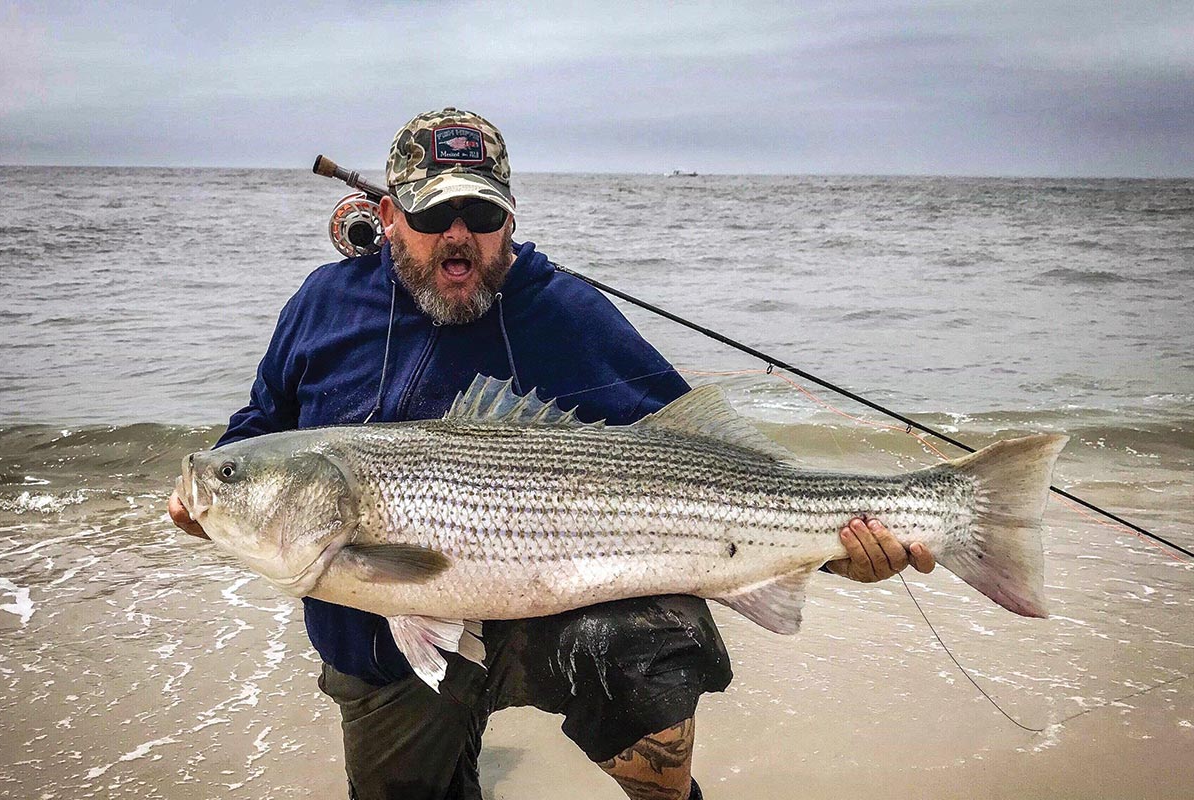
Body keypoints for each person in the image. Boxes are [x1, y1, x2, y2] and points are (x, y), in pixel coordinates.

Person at [169, 108, 936, 800]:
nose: (458, 236)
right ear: (390, 216)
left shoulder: (561, 312)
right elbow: (261, 423)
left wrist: (833, 546)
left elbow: (695, 455)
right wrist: (221, 480)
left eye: (481, 214)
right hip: (380, 645)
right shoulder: (323, 305)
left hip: (547, 620)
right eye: (434, 214)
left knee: (648, 642)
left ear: (509, 218)